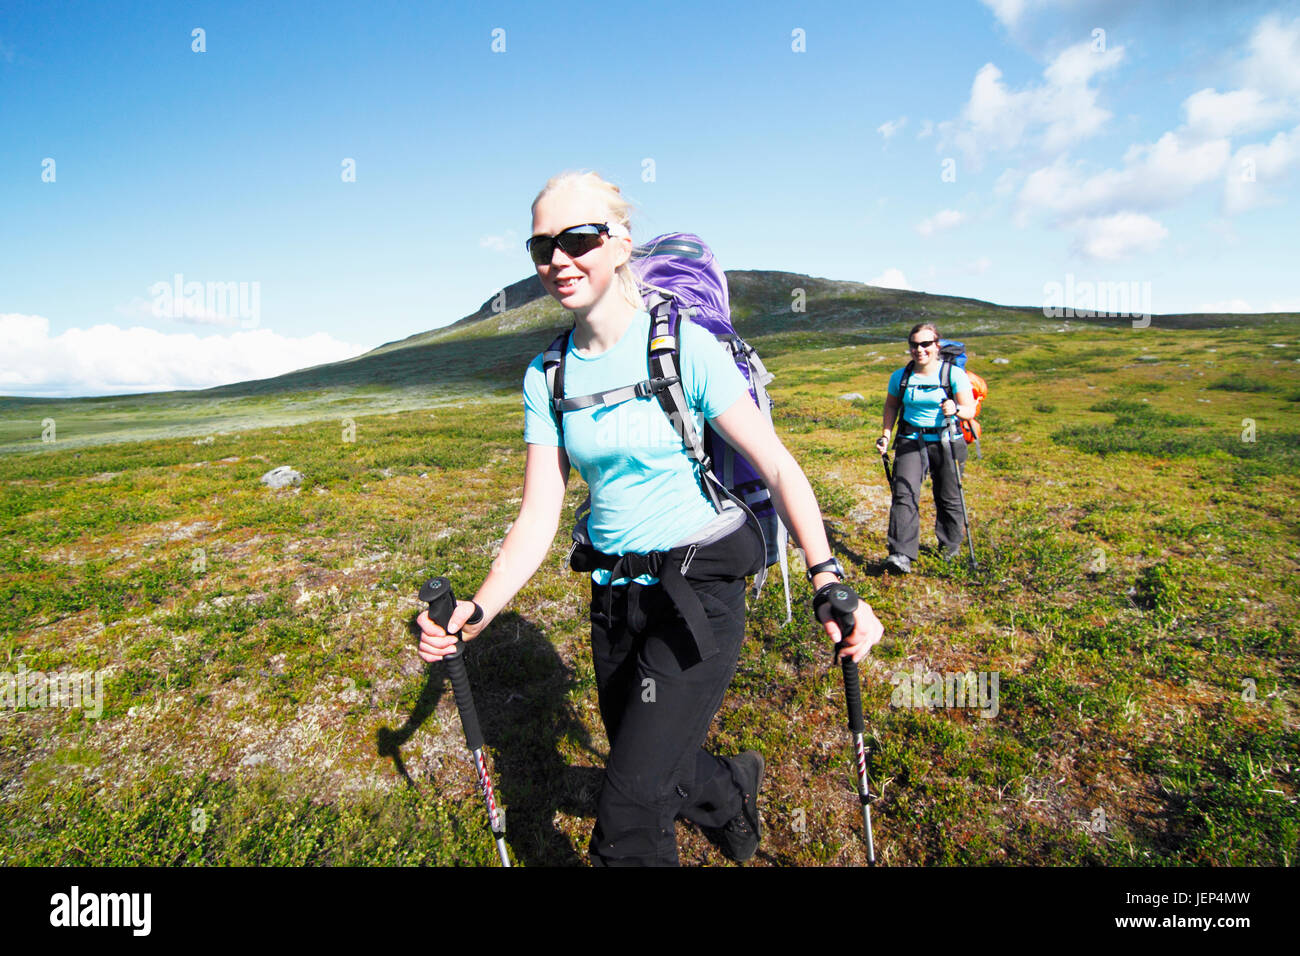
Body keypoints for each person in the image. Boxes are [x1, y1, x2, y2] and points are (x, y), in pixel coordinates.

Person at [416, 170, 883, 867]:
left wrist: (829, 578)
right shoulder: (548, 376)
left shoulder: (685, 348)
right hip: (614, 601)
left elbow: (780, 467)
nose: (558, 260)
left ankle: (697, 804)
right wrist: (479, 609)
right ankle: (730, 789)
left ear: (621, 242)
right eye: (541, 246)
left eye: (579, 238)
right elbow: (539, 513)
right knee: (653, 756)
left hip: (698, 596)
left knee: (629, 809)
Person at [874, 323, 978, 574]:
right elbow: (891, 406)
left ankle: (950, 545)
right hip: (911, 439)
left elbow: (969, 410)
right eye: (914, 344)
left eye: (925, 344)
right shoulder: (900, 376)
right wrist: (886, 435)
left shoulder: (952, 374)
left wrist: (956, 410)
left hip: (947, 439)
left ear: (936, 346)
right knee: (904, 494)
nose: (919, 349)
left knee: (948, 496)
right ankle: (901, 554)